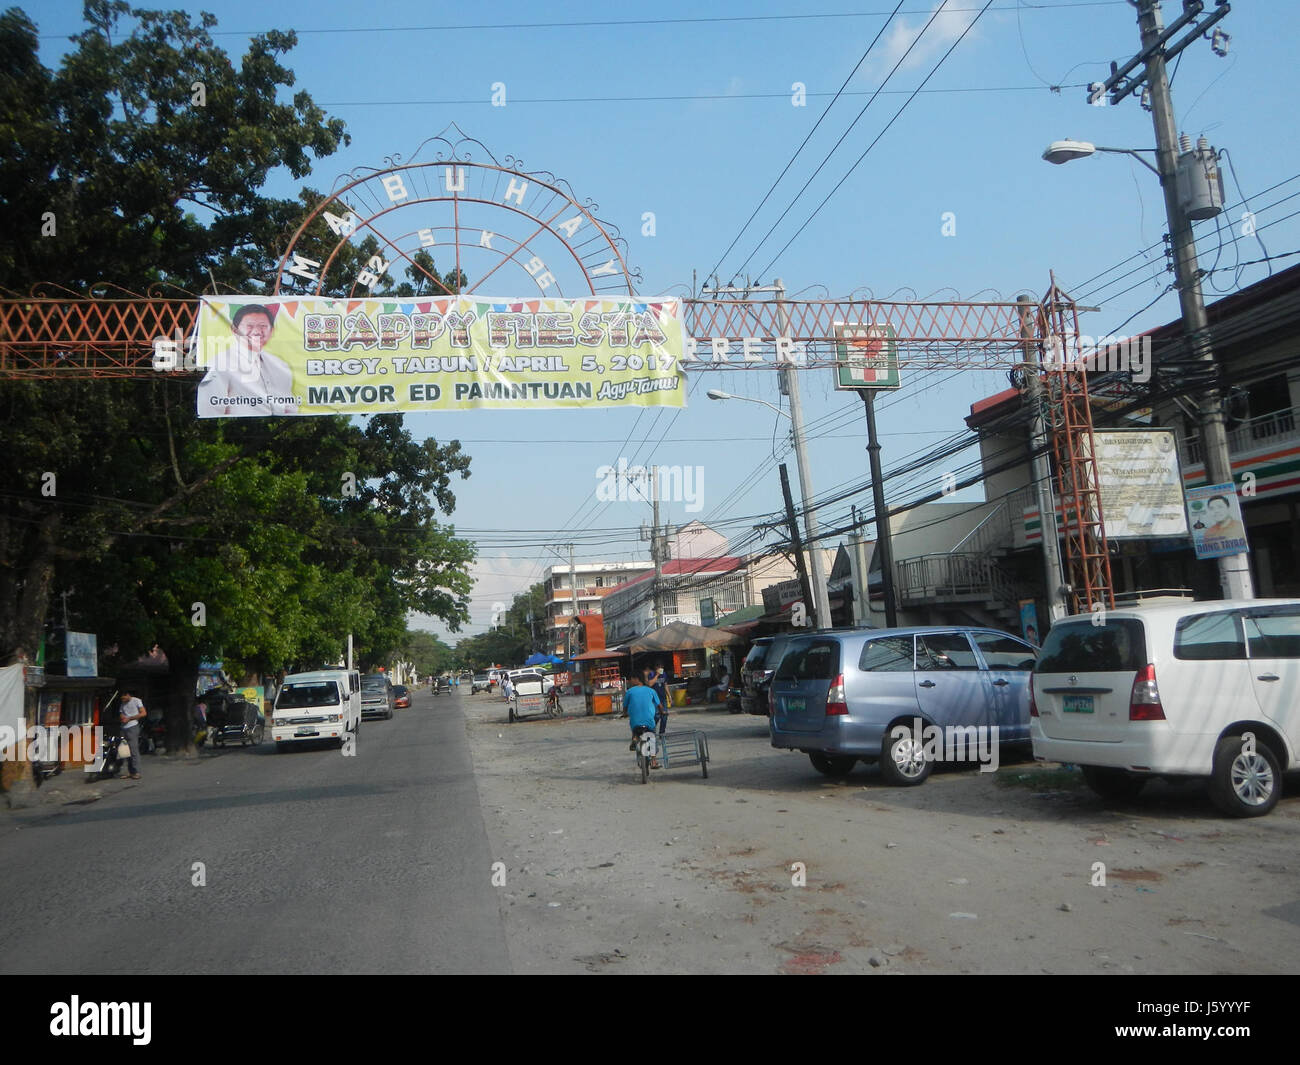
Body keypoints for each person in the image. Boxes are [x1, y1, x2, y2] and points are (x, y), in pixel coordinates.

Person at [198, 304, 297, 417]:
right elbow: (209, 410)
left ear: (272, 330)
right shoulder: (219, 363)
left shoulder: (280, 365)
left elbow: (289, 406)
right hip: (236, 430)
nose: (257, 332)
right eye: (249, 326)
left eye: (263, 326)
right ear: (234, 330)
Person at [624, 675, 662, 767]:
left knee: (634, 726)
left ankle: (635, 738)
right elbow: (659, 705)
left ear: (637, 679)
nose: (630, 681)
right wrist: (663, 712)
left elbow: (625, 707)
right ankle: (653, 761)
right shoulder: (651, 691)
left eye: (632, 678)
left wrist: (624, 713)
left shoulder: (629, 691)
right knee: (652, 738)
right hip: (649, 721)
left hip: (635, 722)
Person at [118, 687, 147, 780]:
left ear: (128, 695)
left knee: (133, 749)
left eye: (124, 697)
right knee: (125, 750)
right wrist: (122, 717)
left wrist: (130, 718)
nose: (123, 699)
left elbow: (143, 713)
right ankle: (130, 771)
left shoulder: (136, 701)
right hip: (124, 727)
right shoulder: (123, 703)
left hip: (132, 726)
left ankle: (137, 771)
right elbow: (121, 712)